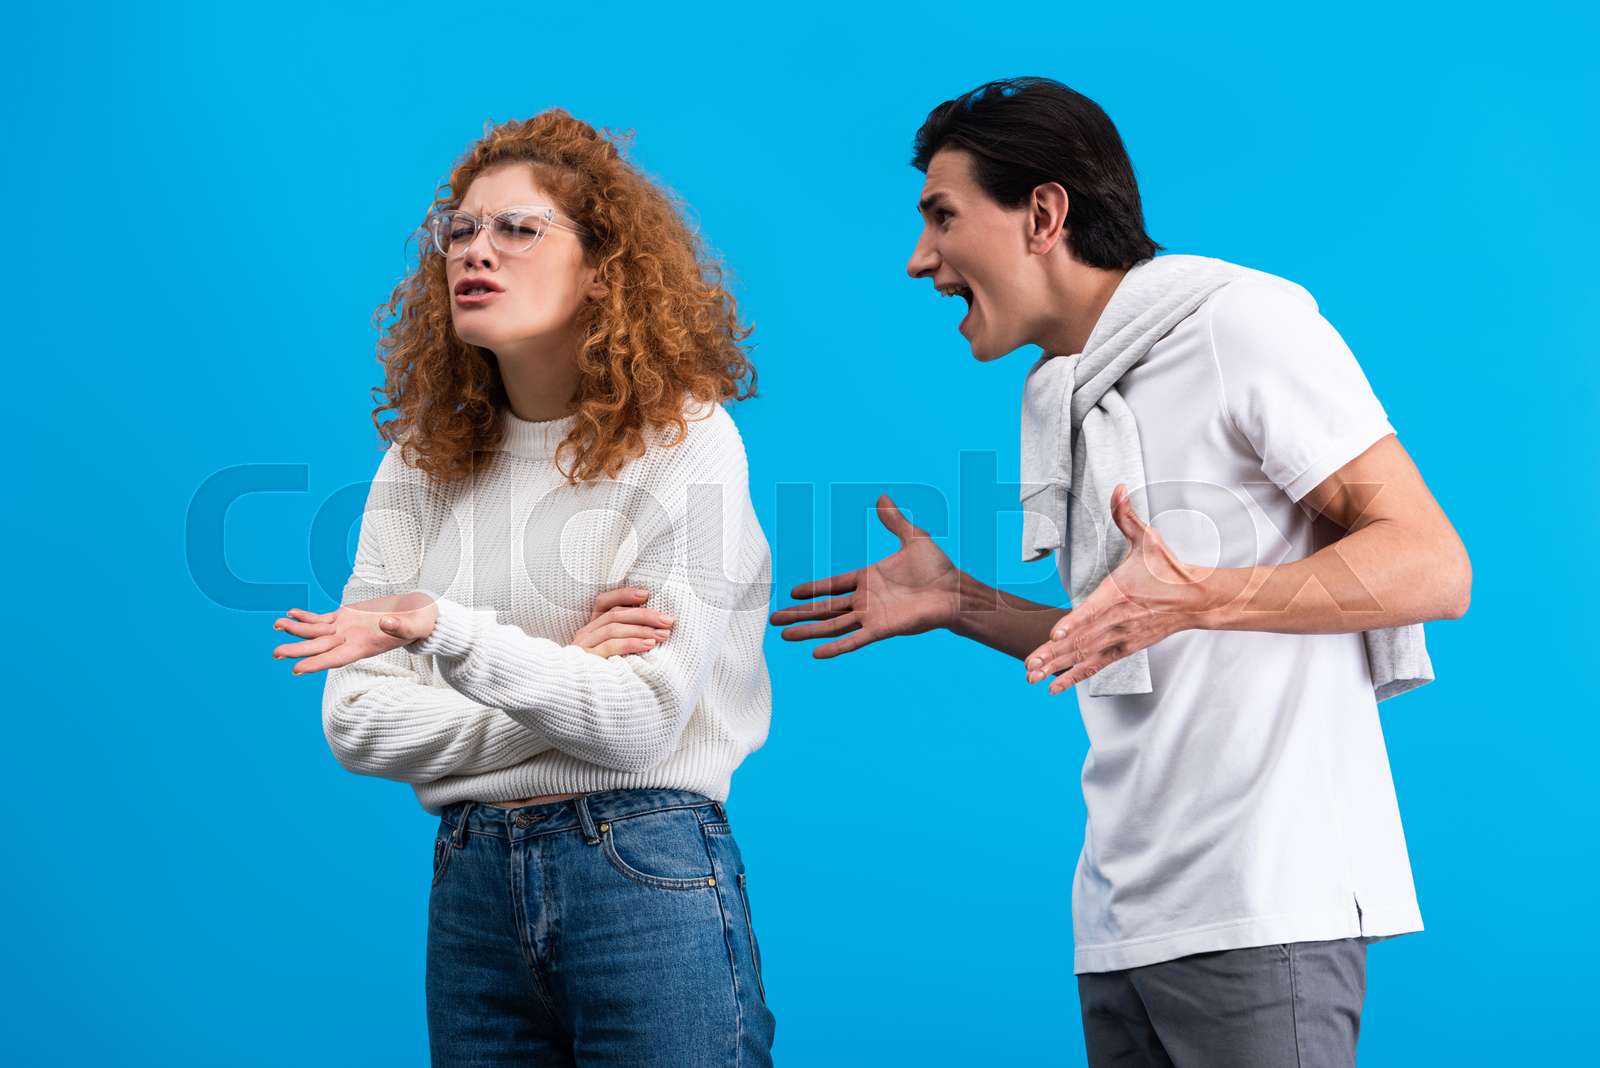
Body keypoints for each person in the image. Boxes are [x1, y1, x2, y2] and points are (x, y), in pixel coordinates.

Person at [771, 77, 1470, 1067]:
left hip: (1263, 903)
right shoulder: (1066, 391)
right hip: (1122, 913)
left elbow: (1432, 565)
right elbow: (1119, 636)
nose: (919, 259)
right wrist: (959, 602)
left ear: (1043, 215)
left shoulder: (1240, 325)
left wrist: (1208, 596)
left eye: (941, 216)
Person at [270, 109, 776, 1066]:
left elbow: (638, 725)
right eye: (459, 230)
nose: (475, 251)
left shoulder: (686, 443)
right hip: (471, 883)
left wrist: (440, 631)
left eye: (517, 228)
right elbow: (353, 722)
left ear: (602, 264)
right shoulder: (422, 462)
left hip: (641, 867)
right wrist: (564, 678)